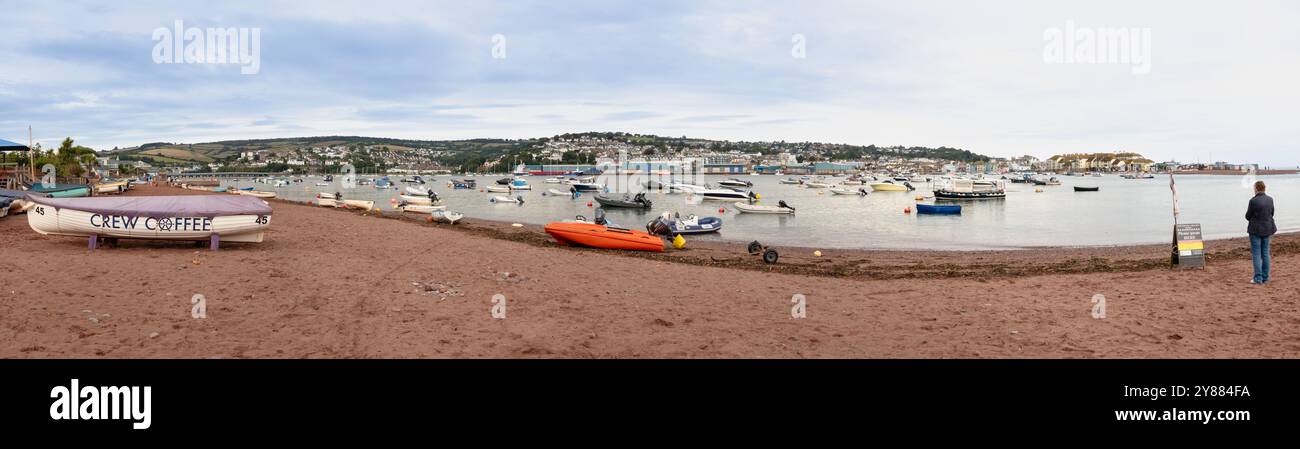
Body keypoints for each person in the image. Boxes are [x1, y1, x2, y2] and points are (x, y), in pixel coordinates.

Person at [1246, 180, 1276, 284]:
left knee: (1256, 254)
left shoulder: (1253, 201)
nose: (1253, 190)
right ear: (1264, 188)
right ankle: (1266, 278)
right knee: (1265, 253)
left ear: (1257, 189)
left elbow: (1247, 216)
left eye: (1254, 188)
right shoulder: (1270, 199)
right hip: (1267, 229)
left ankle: (1258, 278)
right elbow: (1272, 213)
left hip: (1255, 230)